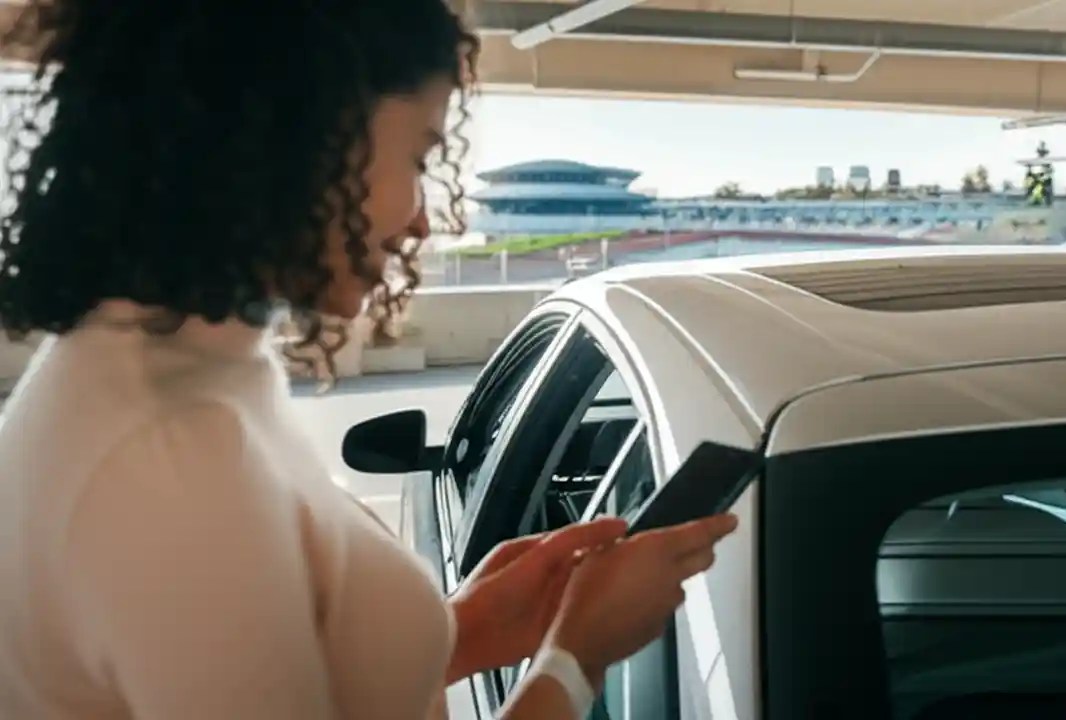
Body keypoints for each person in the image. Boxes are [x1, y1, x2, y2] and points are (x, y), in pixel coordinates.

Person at [0, 2, 736, 718]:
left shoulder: (177, 374)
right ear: (305, 138)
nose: (422, 216)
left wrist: (469, 628)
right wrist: (578, 660)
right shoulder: (163, 455)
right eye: (418, 155)